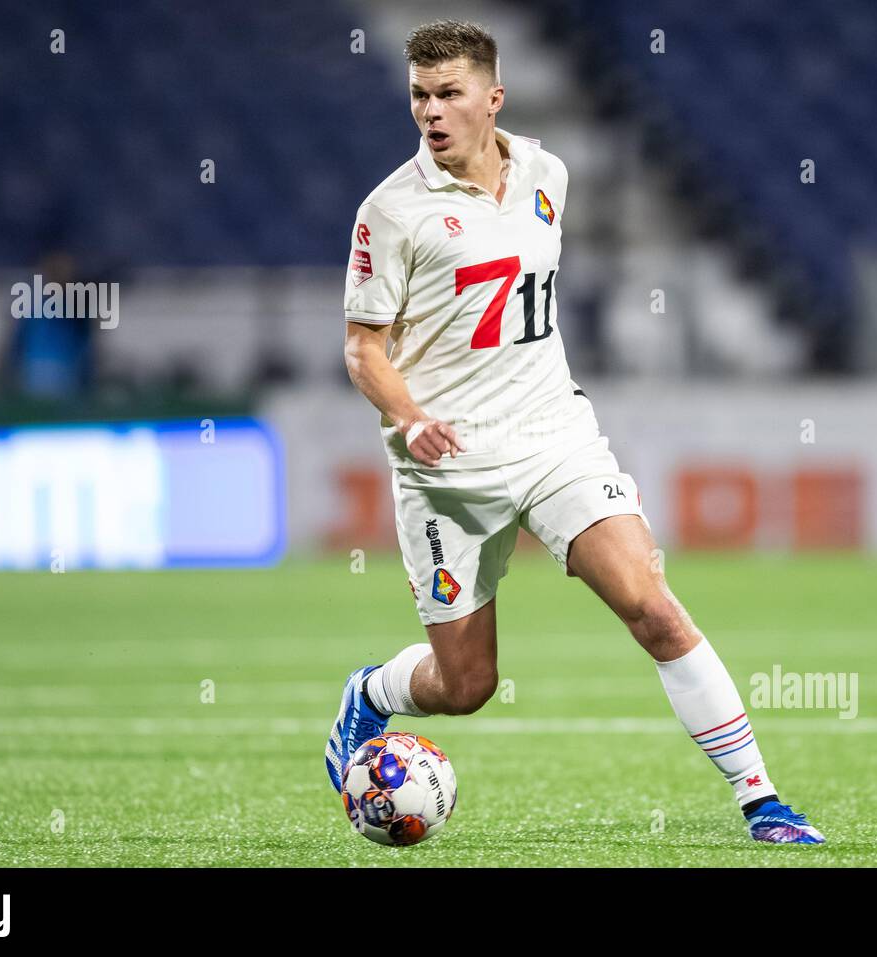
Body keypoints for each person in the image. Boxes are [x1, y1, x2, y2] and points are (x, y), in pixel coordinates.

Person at [327, 19, 823, 844]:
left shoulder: (548, 173)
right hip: (447, 469)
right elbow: (361, 346)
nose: (431, 113)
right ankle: (371, 694)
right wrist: (409, 417)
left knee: (653, 608)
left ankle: (762, 799)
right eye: (419, 95)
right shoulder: (390, 211)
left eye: (449, 94)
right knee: (467, 684)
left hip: (555, 436)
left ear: (494, 96)